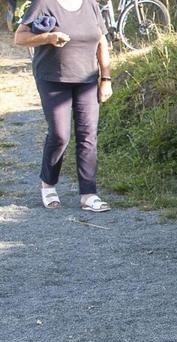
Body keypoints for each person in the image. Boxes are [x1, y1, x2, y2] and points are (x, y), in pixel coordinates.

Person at [14, 0, 112, 212]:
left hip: (86, 79)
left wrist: (106, 78)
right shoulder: (44, 3)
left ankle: (89, 194)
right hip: (52, 78)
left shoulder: (91, 5)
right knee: (60, 135)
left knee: (88, 134)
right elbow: (19, 37)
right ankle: (48, 184)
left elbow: (101, 41)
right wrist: (48, 37)